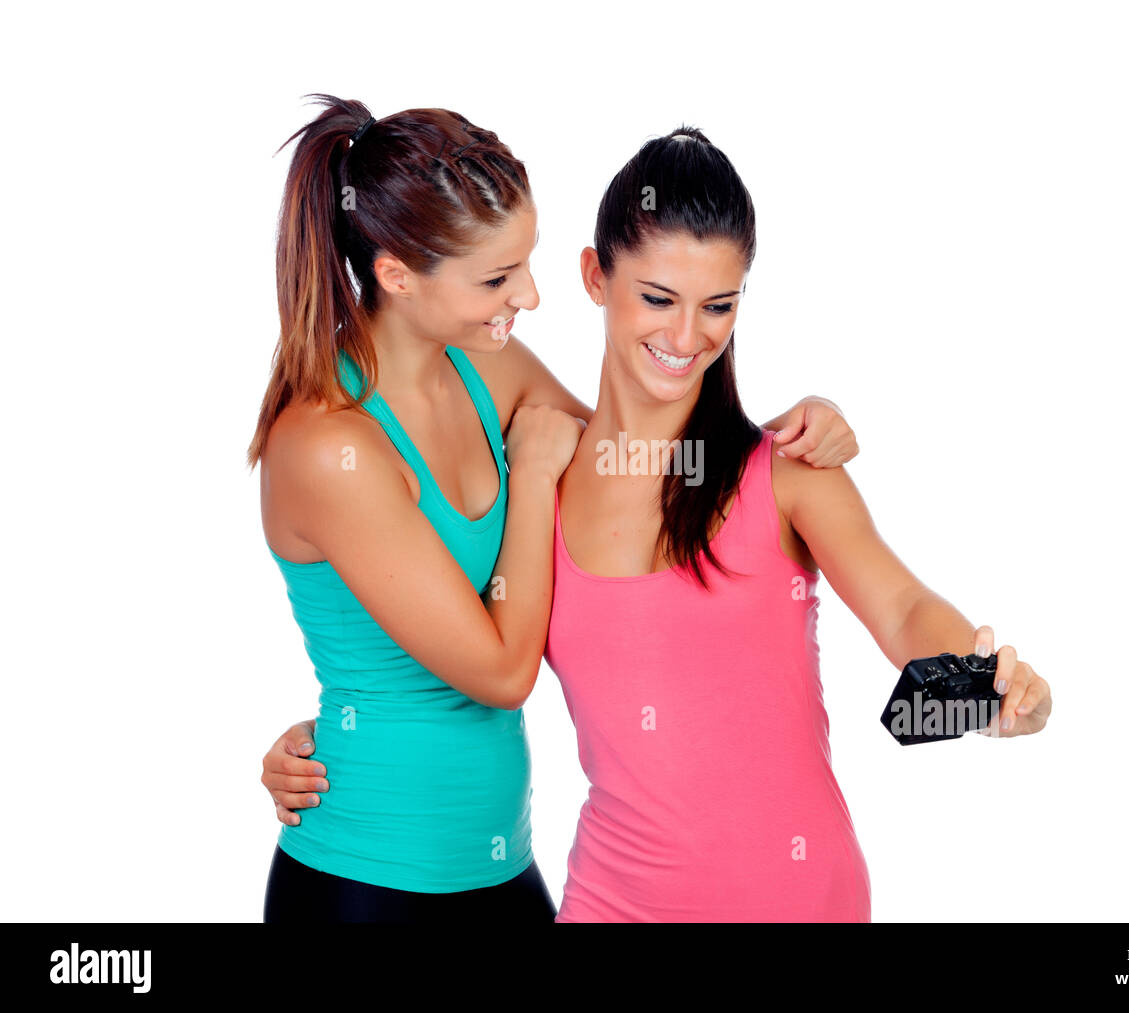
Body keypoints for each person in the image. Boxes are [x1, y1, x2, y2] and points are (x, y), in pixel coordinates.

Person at [265, 124, 1053, 922]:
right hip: (584, 902)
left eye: (718, 305)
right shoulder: (532, 481)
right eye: (657, 298)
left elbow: (902, 608)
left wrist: (984, 693)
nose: (686, 337)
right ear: (596, 278)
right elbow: (460, 654)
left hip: (780, 899)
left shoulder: (774, 472)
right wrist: (332, 737)